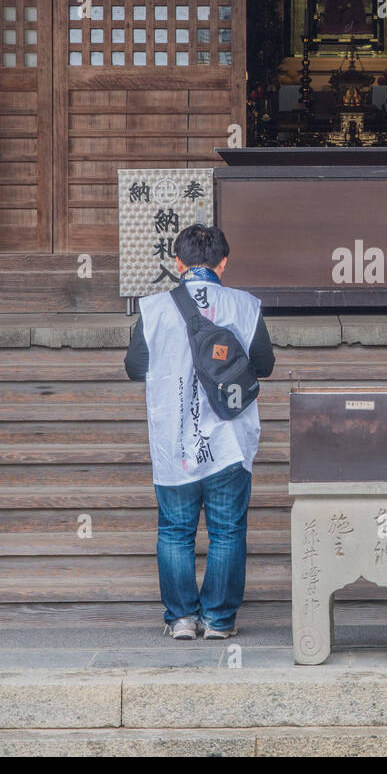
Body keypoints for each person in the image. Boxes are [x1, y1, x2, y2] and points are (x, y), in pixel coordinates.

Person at [124, 224, 275, 640]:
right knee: (227, 530)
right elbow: (264, 365)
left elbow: (135, 367)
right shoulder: (246, 306)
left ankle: (182, 619)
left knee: (175, 529)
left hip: (176, 439)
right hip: (229, 440)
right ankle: (219, 621)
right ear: (223, 263)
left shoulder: (154, 308)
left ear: (178, 263)